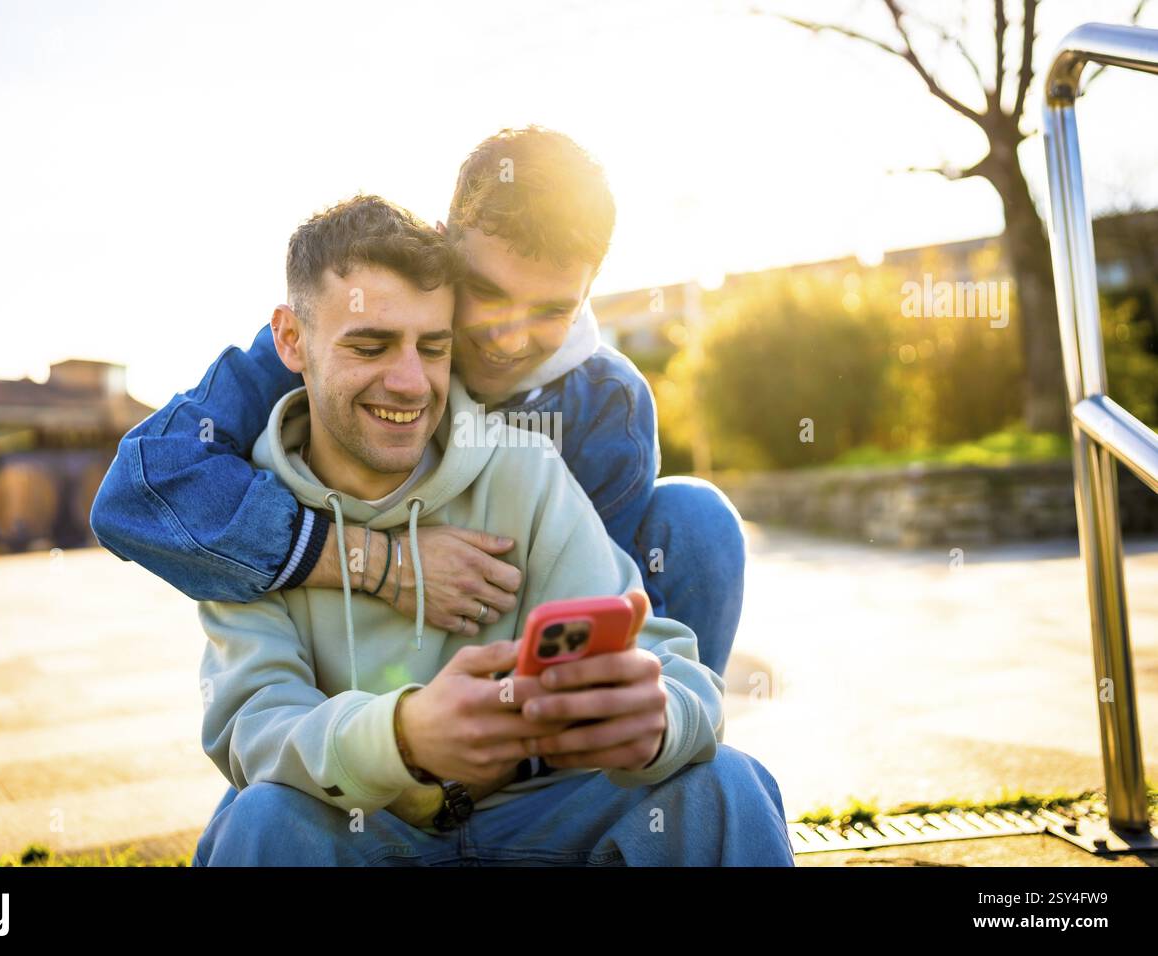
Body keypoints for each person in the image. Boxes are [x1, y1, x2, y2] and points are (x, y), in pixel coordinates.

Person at [191, 194, 792, 866]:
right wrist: (403, 737)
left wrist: (658, 725)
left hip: (540, 815)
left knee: (727, 784)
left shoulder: (525, 467)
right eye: (371, 344)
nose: (410, 383)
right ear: (292, 339)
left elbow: (678, 671)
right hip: (364, 822)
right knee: (264, 819)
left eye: (435, 347)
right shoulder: (247, 510)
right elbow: (253, 723)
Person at [89, 127, 746, 675]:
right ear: (443, 242)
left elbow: (592, 608)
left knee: (697, 521)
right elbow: (140, 492)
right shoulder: (340, 341)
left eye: (550, 310)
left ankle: (649, 783)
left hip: (516, 696)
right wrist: (378, 562)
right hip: (347, 682)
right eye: (486, 291)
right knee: (264, 819)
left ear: (588, 293)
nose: (509, 337)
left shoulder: (608, 406)